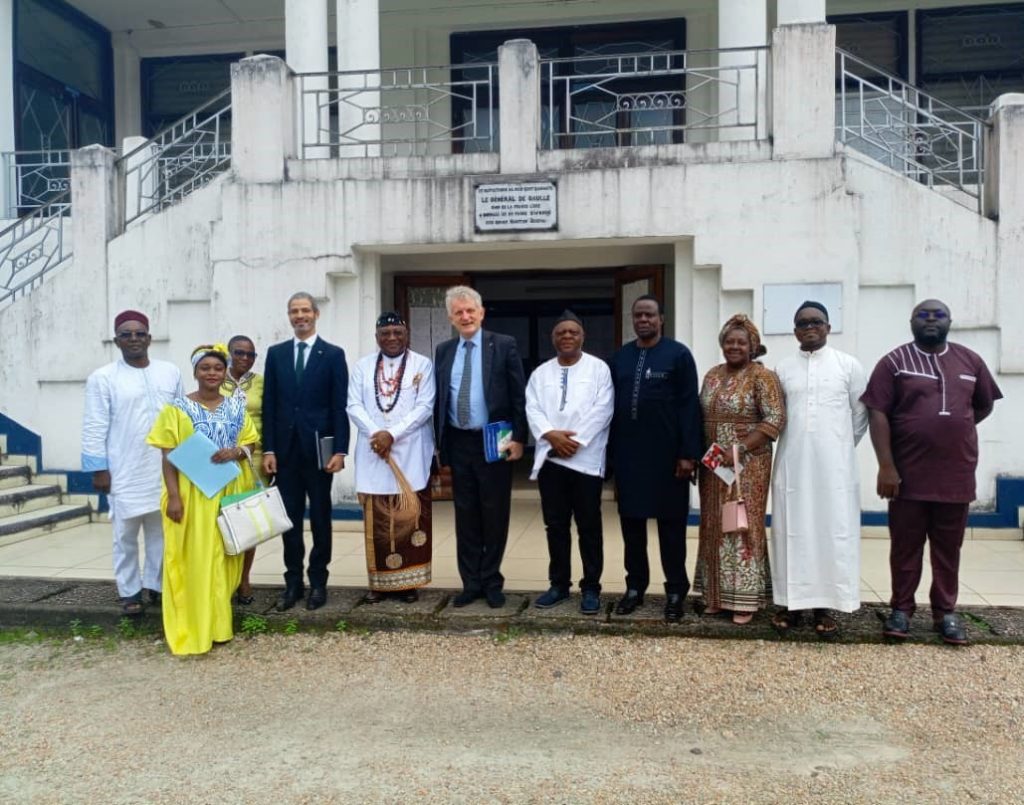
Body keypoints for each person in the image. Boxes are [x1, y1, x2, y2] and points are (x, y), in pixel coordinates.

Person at [861, 299, 1002, 645]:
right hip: (906, 475)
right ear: (911, 321)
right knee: (905, 547)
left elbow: (981, 405)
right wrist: (886, 466)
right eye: (923, 314)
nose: (930, 320)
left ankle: (946, 613)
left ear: (950, 321)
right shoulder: (894, 362)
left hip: (956, 474)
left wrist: (953, 428)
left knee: (947, 549)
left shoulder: (971, 361)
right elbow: (877, 412)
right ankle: (901, 610)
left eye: (938, 314)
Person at [146, 344, 258, 656]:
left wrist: (237, 451)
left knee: (223, 558)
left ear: (225, 373)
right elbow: (168, 455)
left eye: (217, 368)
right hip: (192, 493)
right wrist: (174, 497)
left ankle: (220, 625)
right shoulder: (177, 409)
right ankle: (193, 626)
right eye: (205, 368)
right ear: (195, 372)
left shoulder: (236, 406)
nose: (211, 373)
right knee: (193, 559)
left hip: (230, 490)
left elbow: (251, 440)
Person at [770, 302, 868, 640]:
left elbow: (859, 417)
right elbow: (775, 415)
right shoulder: (781, 369)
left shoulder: (848, 366)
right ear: (794, 330)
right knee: (791, 530)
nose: (810, 326)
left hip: (834, 468)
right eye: (802, 323)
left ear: (828, 327)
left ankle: (826, 607)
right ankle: (790, 604)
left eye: (816, 321)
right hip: (792, 463)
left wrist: (836, 446)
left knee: (831, 531)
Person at [81, 310, 183, 615]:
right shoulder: (103, 378)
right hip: (123, 468)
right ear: (117, 340)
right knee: (124, 533)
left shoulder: (170, 372)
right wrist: (99, 469)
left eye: (140, 333)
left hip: (163, 467)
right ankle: (129, 591)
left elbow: (181, 419)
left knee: (160, 531)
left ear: (149, 338)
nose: (134, 339)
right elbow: (94, 425)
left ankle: (157, 586)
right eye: (127, 334)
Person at [609, 295, 702, 622]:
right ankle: (635, 587)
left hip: (669, 459)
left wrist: (688, 454)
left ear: (661, 318)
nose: (643, 320)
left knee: (671, 529)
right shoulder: (619, 358)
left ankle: (675, 590)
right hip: (629, 457)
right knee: (631, 528)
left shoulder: (678, 355)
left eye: (649, 314)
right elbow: (609, 411)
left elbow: (690, 406)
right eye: (638, 315)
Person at [434, 285, 527, 609]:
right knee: (465, 514)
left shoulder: (503, 345)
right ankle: (470, 582)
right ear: (451, 317)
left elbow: (518, 394)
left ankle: (492, 581)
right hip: (459, 442)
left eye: (470, 310)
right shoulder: (444, 351)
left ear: (482, 313)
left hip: (495, 438)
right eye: (458, 312)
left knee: (495, 512)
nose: (465, 316)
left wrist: (519, 438)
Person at [261, 292, 350, 612]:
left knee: (321, 518)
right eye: (294, 311)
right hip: (284, 453)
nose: (300, 316)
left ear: (316, 314)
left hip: (318, 452)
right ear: (289, 316)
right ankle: (293, 582)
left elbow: (340, 406)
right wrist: (268, 448)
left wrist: (340, 450)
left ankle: (319, 581)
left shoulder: (333, 355)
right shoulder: (276, 354)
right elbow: (270, 404)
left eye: (305, 311)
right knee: (290, 520)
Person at [695, 314, 785, 625]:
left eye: (741, 342)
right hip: (714, 464)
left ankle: (745, 598)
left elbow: (774, 419)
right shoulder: (711, 375)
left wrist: (741, 447)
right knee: (713, 524)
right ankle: (716, 597)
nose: (734, 346)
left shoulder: (763, 377)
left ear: (752, 346)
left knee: (741, 524)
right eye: (729, 341)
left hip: (748, 462)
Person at [525, 311, 614, 615]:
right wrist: (551, 435)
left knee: (589, 527)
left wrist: (574, 442)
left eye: (572, 332)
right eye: (560, 332)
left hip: (586, 461)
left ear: (582, 336)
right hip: (551, 460)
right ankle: (559, 585)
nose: (566, 336)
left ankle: (591, 588)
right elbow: (533, 408)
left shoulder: (599, 369)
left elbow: (603, 409)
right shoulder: (541, 373)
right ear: (553, 338)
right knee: (556, 526)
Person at [347, 312, 435, 603]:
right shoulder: (362, 367)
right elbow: (353, 406)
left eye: (398, 332)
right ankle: (379, 583)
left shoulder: (423, 364)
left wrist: (392, 434)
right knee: (379, 521)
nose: (392, 338)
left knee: (410, 520)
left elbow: (424, 407)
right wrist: (377, 434)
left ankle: (408, 583)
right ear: (377, 337)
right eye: (386, 334)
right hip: (374, 453)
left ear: (406, 334)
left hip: (410, 453)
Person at [220, 334, 264, 606]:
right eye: (239, 353)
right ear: (228, 354)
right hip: (219, 459)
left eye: (250, 355)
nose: (244, 359)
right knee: (221, 519)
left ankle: (244, 579)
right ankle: (223, 579)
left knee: (248, 523)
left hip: (253, 458)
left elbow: (271, 415)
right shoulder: (213, 376)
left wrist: (272, 453)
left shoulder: (260, 382)